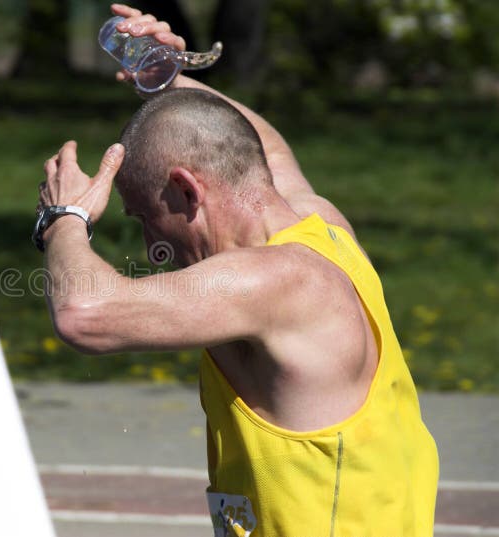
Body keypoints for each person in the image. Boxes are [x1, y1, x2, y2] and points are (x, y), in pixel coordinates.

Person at [33, 4, 439, 536]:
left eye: (146, 217)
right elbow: (258, 144)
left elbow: (85, 314)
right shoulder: (321, 228)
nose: (152, 243)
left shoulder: (277, 282)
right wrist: (166, 78)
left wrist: (65, 217)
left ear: (187, 190)